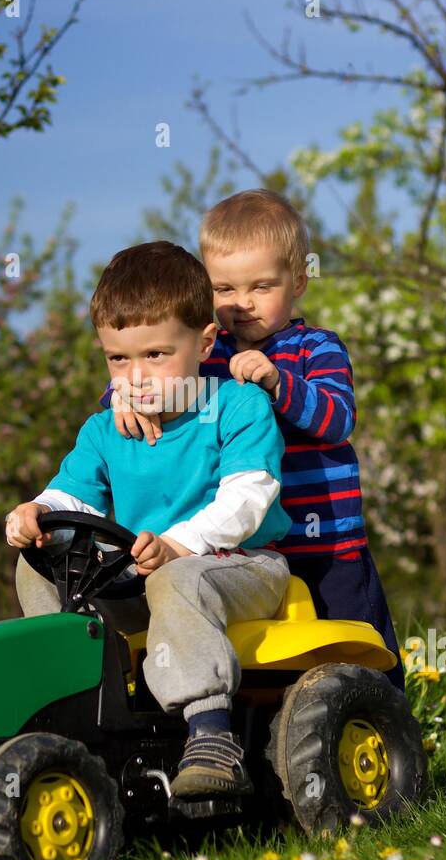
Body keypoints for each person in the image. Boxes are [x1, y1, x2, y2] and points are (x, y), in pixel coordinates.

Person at [4, 240, 292, 798]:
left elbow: (247, 499)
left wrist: (178, 545)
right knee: (39, 563)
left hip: (240, 568)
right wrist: (37, 514)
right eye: (119, 359)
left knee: (177, 577)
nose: (134, 376)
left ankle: (211, 733)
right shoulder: (104, 430)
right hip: (141, 572)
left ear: (205, 342)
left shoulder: (237, 406)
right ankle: (77, 706)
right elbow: (73, 496)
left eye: (156, 356)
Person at [104, 189, 406, 690]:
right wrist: (123, 397)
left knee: (360, 653)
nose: (241, 304)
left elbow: (337, 419)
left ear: (299, 280)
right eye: (224, 289)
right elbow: (151, 371)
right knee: (263, 660)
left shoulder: (316, 347)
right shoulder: (205, 353)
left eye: (261, 287)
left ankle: (394, 739)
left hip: (324, 541)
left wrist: (279, 384)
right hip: (240, 549)